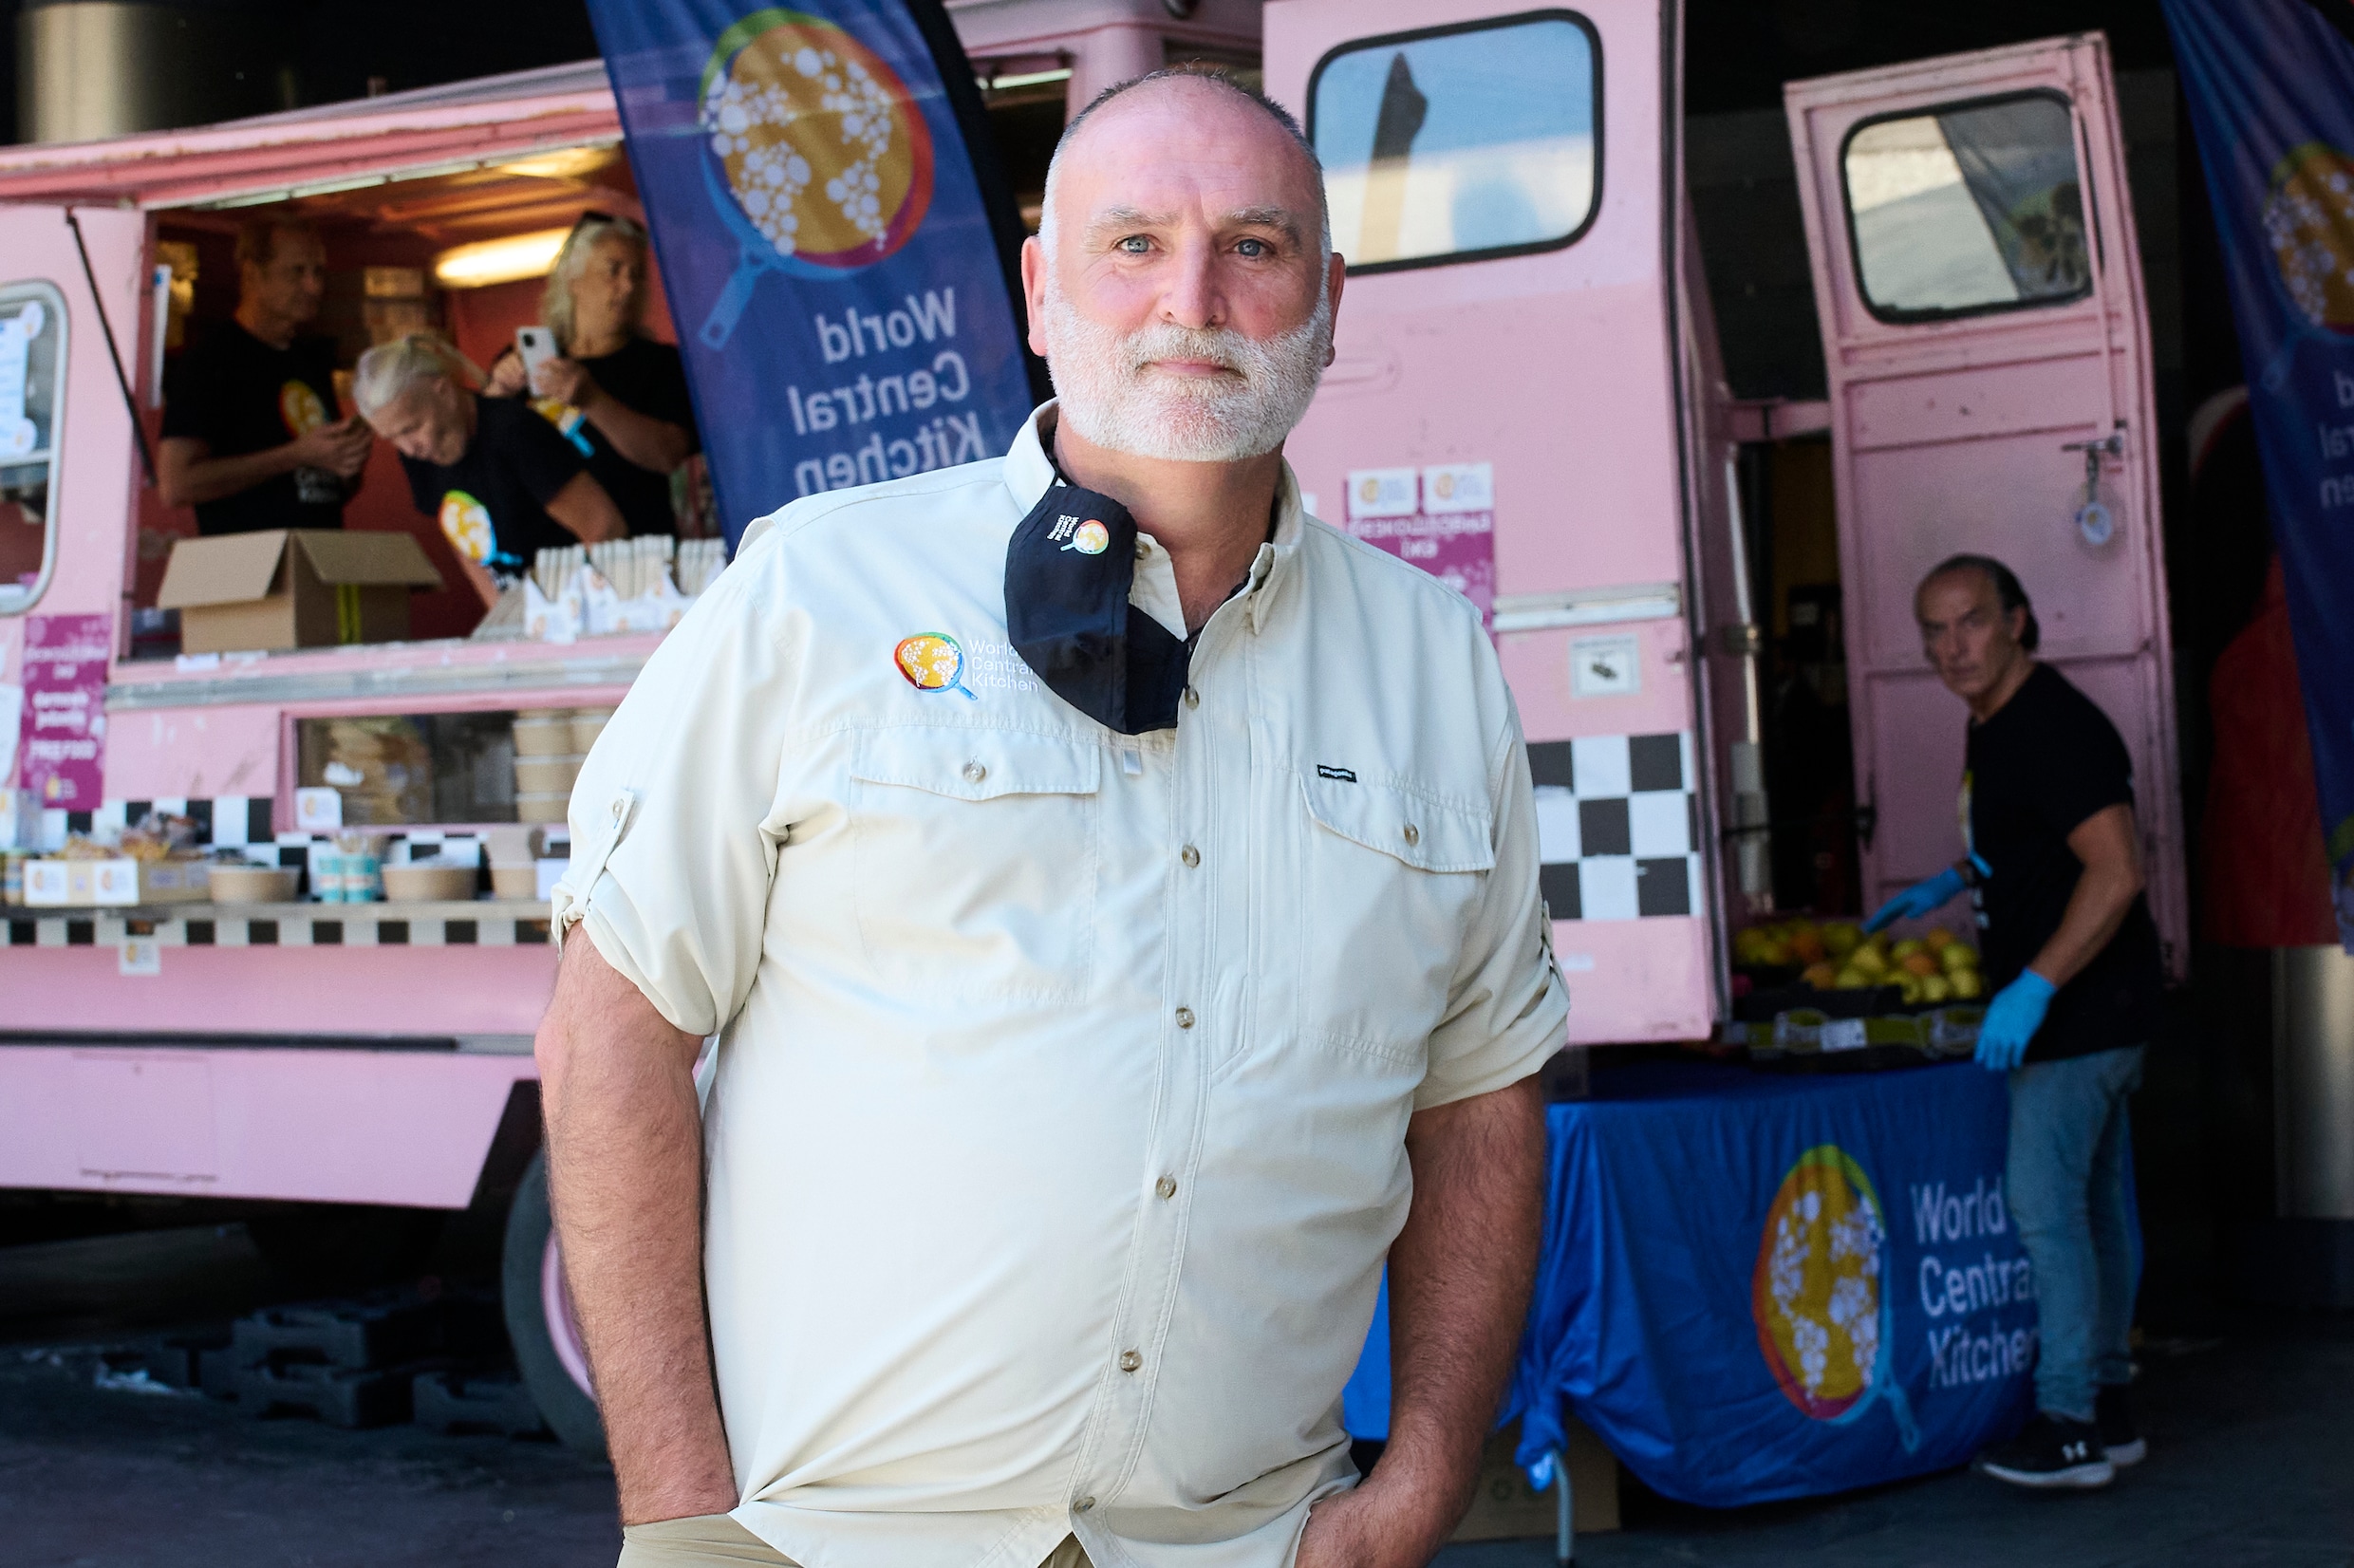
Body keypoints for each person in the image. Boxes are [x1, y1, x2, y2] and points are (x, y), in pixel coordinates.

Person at [536, 67, 1567, 1568]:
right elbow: (611, 1029)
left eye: (1256, 250)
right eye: (1132, 243)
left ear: (1331, 301)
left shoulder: (1432, 661)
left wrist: (1419, 1485)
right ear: (1038, 289)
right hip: (834, 1546)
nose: (1191, 300)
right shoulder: (817, 595)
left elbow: (1482, 1095)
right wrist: (687, 1519)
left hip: (1250, 1543)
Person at [1869, 554, 2163, 1491]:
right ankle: (2108, 1406)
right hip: (2094, 1006)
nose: (1950, 646)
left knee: (2045, 1211)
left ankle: (2069, 1419)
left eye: (1968, 622)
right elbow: (2027, 837)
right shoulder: (1993, 722)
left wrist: (2032, 983)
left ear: (2017, 620)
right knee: (2089, 1211)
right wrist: (1954, 880)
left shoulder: (2051, 725)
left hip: (2082, 1011)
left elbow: (2114, 868)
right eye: (1932, 629)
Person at [353, 334, 626, 608]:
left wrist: (567, 614)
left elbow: (603, 527)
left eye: (412, 428)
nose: (409, 448)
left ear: (444, 392)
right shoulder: (416, 455)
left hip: (583, 600)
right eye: (392, 438)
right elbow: (464, 540)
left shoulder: (512, 432)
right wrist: (501, 616)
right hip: (526, 611)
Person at [484, 213, 699, 538]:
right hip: (544, 560)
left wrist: (593, 400)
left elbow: (668, 454)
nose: (626, 286)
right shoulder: (527, 361)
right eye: (613, 271)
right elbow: (481, 457)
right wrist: (497, 394)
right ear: (574, 277)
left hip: (637, 552)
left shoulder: (660, 364)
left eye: (637, 275)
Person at [158, 215, 374, 534]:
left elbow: (326, 487)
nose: (313, 287)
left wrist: (347, 459)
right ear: (252, 274)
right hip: (245, 570)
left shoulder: (309, 360)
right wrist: (295, 456)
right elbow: (176, 486)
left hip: (320, 559)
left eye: (318, 272)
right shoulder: (211, 360)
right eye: (296, 272)